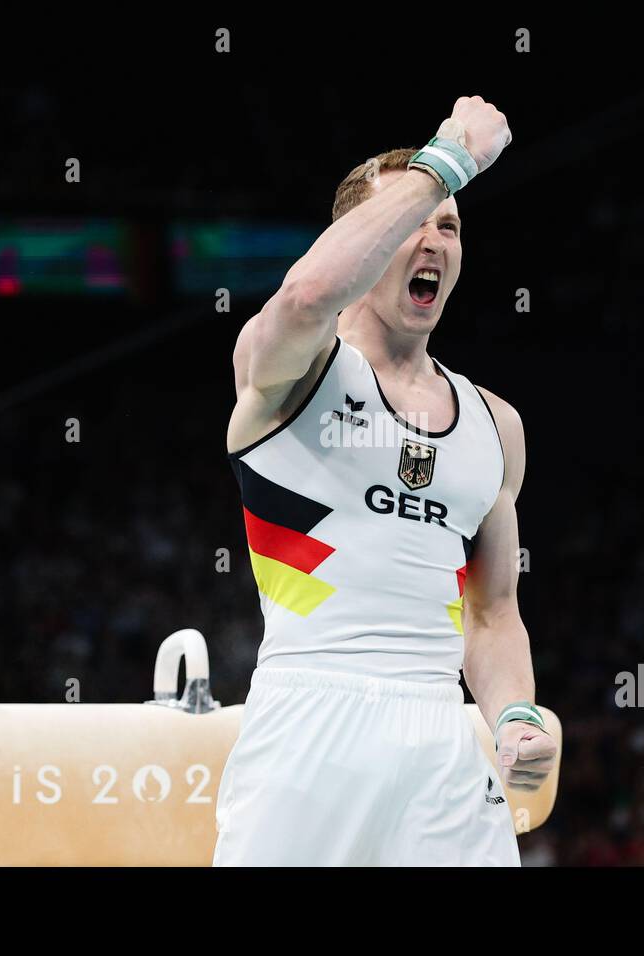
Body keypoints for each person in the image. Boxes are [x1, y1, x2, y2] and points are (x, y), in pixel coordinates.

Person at [214, 96, 556, 866]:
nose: (433, 238)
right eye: (413, 221)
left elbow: (494, 613)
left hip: (441, 740)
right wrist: (450, 158)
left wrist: (513, 715)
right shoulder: (291, 375)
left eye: (450, 226)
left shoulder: (494, 425)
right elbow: (306, 295)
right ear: (362, 245)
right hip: (310, 727)